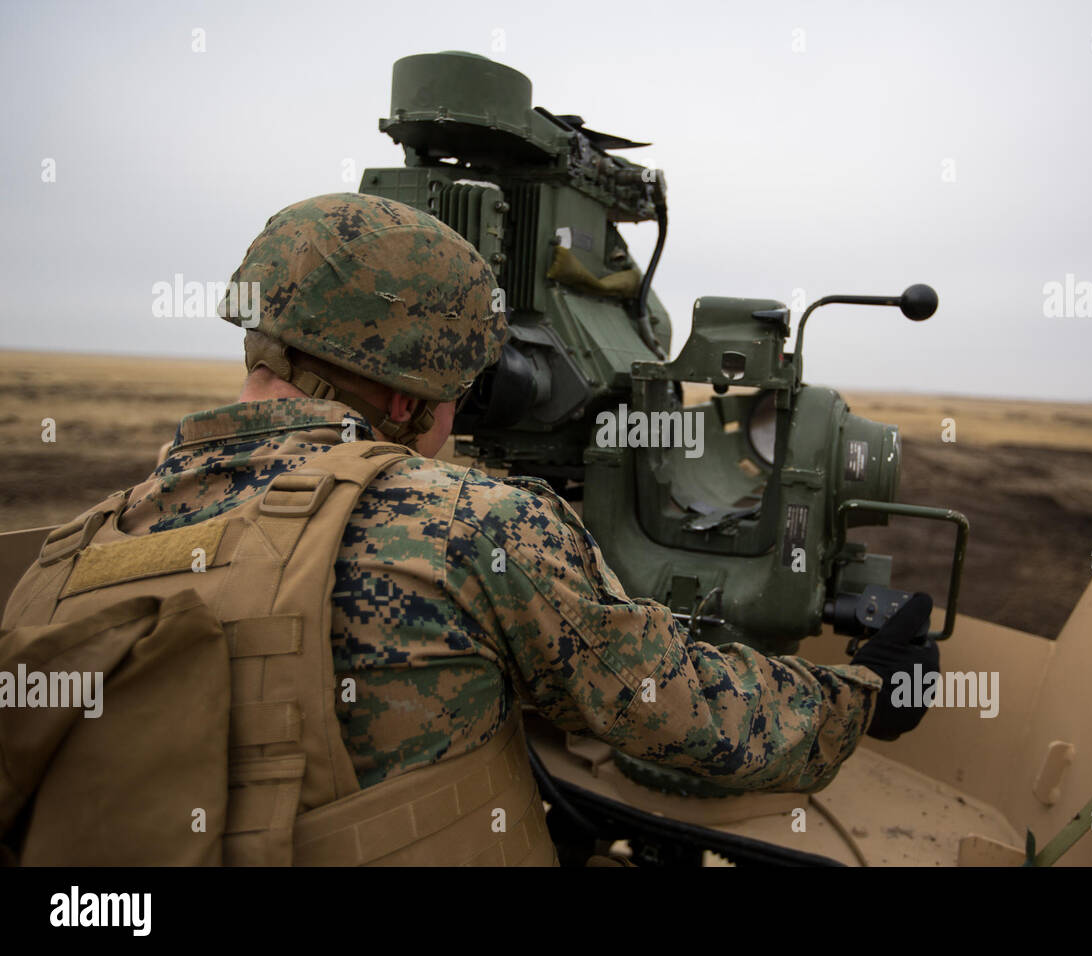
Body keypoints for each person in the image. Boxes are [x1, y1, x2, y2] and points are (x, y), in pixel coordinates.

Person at [1, 193, 938, 866]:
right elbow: (680, 714)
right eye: (458, 389)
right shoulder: (469, 529)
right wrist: (864, 695)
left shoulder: (66, 559)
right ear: (410, 393)